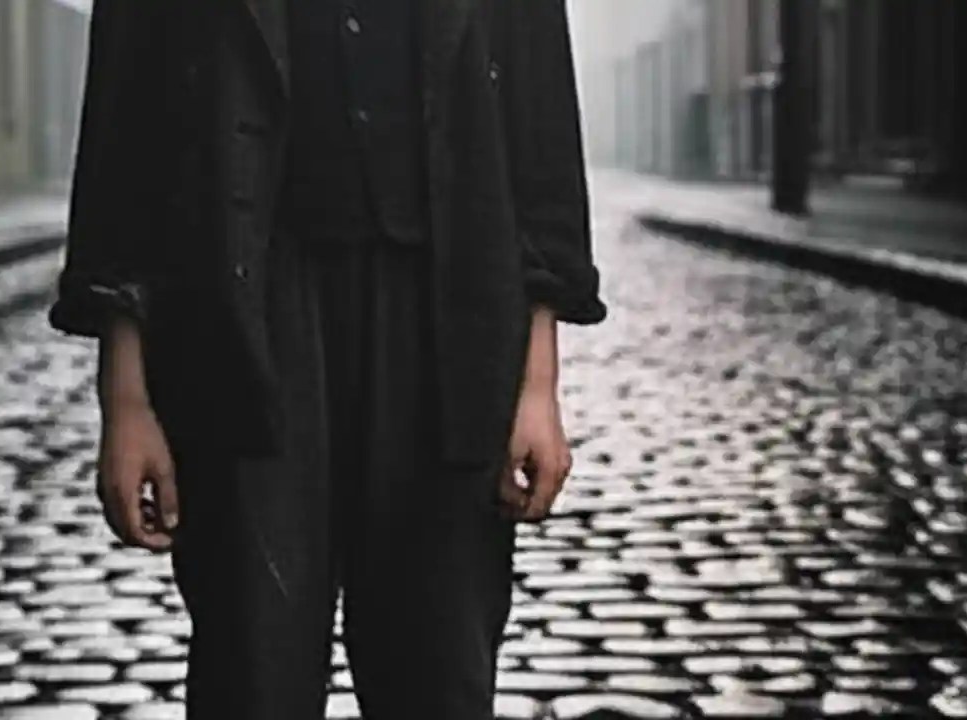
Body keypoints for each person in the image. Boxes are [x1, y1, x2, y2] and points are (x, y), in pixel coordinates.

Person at [49, 0, 607, 717]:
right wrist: (126, 399)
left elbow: (538, 126)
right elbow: (127, 126)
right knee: (252, 670)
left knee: (439, 676)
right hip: (237, 310)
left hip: (448, 321)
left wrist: (538, 384)